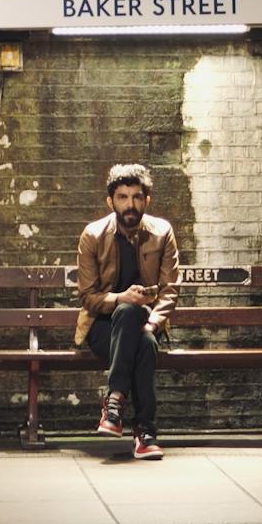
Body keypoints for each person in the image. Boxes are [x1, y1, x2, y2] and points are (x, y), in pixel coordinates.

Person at [75, 162, 179, 461]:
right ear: (111, 201)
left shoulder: (162, 232)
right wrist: (121, 297)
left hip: (146, 324)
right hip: (101, 326)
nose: (130, 204)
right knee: (131, 317)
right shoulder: (93, 235)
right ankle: (146, 433)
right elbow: (88, 297)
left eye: (136, 197)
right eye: (122, 197)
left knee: (141, 332)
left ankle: (115, 402)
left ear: (148, 199)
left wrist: (154, 322)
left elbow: (170, 288)